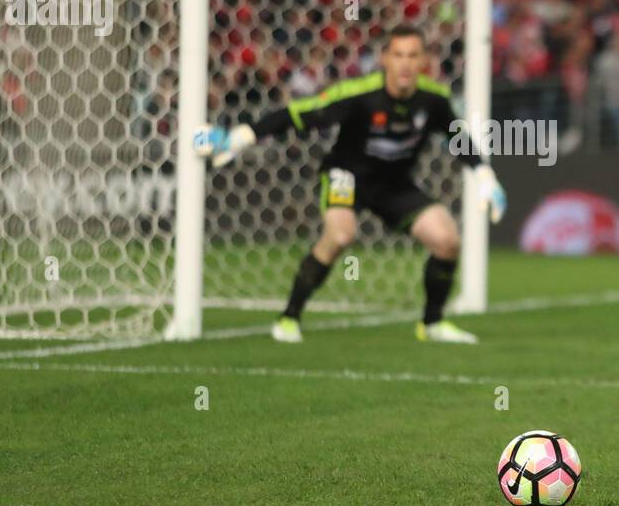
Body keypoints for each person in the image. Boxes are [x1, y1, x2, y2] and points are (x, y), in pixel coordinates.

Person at [199, 26, 506, 344]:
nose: (404, 63)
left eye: (413, 55)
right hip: (346, 175)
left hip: (394, 184)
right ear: (385, 59)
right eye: (398, 55)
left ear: (423, 61)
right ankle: (289, 317)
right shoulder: (359, 95)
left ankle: (432, 324)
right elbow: (298, 113)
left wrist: (485, 177)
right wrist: (239, 137)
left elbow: (458, 138)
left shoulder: (434, 100)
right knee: (341, 235)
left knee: (447, 240)